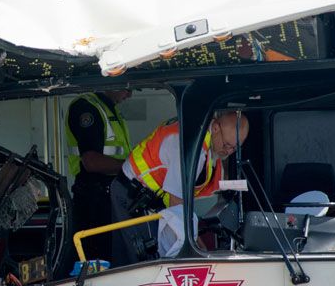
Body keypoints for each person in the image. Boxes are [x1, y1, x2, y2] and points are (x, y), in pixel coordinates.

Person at [110, 110, 250, 266]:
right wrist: (197, 246)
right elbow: (177, 204)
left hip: (147, 198)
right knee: (140, 262)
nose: (229, 152)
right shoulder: (191, 147)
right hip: (131, 197)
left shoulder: (205, 135)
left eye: (235, 149)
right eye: (227, 145)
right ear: (216, 128)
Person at [65, 89, 132, 261]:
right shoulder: (86, 108)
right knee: (98, 260)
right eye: (128, 89)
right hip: (94, 199)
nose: (129, 95)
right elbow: (91, 162)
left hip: (111, 195)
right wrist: (131, 169)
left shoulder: (110, 109)